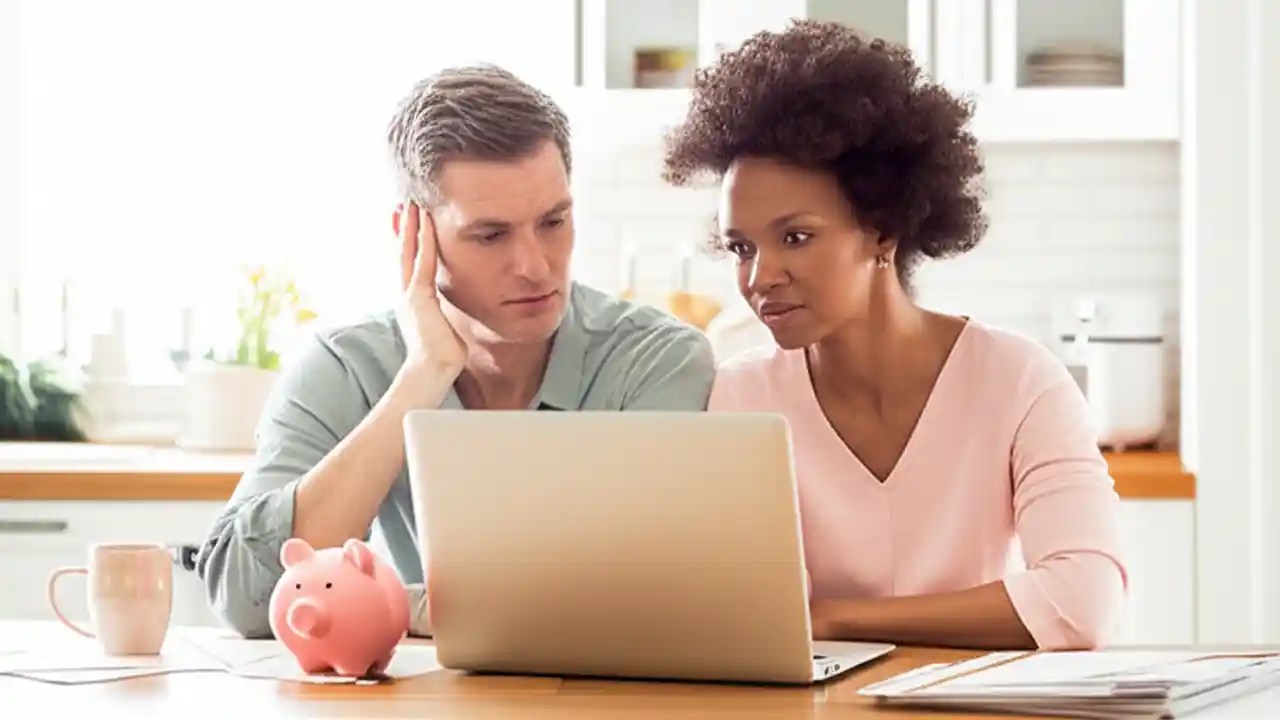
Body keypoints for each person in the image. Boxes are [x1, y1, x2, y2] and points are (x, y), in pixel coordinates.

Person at [198, 65, 716, 639]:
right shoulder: (346, 365)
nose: (535, 266)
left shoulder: (656, 361)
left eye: (554, 221)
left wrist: (396, 606)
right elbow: (244, 598)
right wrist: (421, 379)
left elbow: (636, 599)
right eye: (490, 235)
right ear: (413, 235)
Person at [663, 20, 1127, 651]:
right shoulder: (741, 399)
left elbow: (1082, 604)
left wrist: (832, 619)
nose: (759, 276)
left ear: (883, 230)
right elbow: (741, 610)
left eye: (794, 237)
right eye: (741, 247)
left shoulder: (1019, 381)